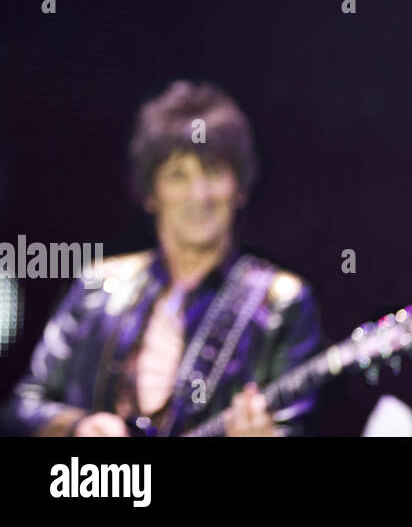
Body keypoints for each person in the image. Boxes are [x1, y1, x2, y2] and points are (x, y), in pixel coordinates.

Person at [1, 80, 325, 437]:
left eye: (213, 172)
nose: (198, 194)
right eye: (177, 175)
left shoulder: (281, 302)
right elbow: (21, 408)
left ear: (240, 188)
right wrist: (78, 426)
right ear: (150, 193)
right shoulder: (100, 285)